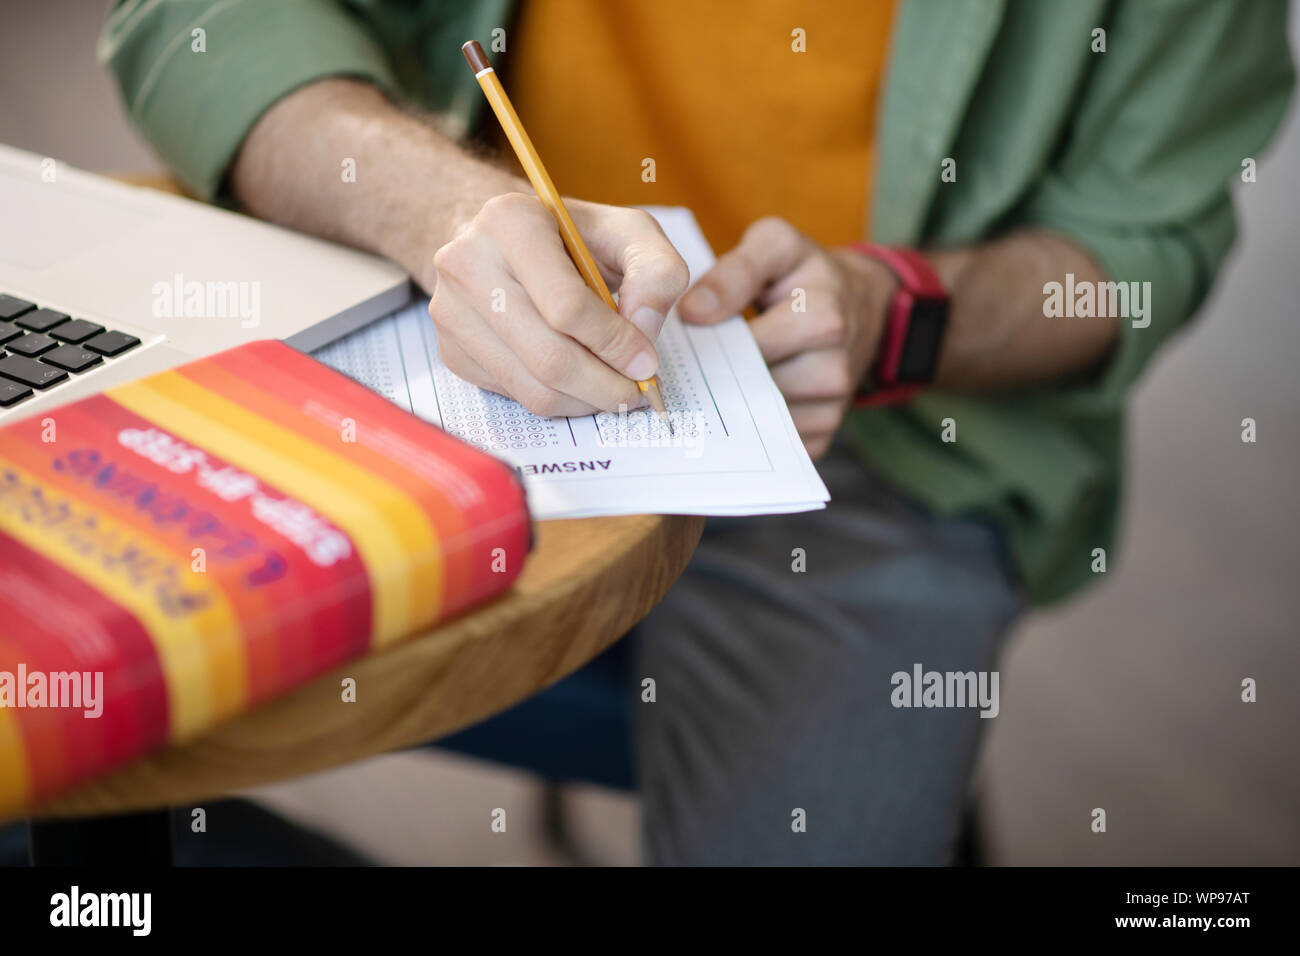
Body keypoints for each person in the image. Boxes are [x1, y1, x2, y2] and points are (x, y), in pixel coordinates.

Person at [102, 0, 1293, 864]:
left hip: (875, 449)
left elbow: (1143, 247)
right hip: (408, 340)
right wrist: (443, 207)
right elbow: (190, 17)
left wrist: (898, 313)